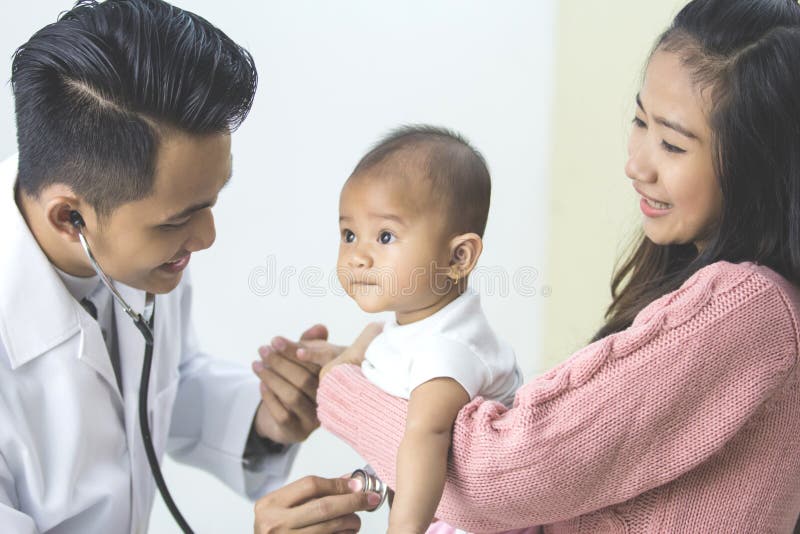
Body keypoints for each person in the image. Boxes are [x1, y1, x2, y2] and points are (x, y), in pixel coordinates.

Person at [276, 0, 800, 531]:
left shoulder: (748, 306)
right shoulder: (737, 300)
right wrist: (382, 372)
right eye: (639, 121)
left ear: (755, 162)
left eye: (671, 144)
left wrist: (342, 389)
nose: (635, 164)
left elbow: (496, 476)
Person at [0, 1, 375, 532]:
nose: (206, 237)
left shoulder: (131, 238)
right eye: (178, 220)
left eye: (210, 202)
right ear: (70, 217)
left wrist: (266, 420)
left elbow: (157, 384)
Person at [328, 125, 523, 533]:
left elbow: (425, 438)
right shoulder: (414, 324)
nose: (358, 256)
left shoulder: (448, 352)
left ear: (458, 258)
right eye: (349, 234)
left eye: (385, 236)